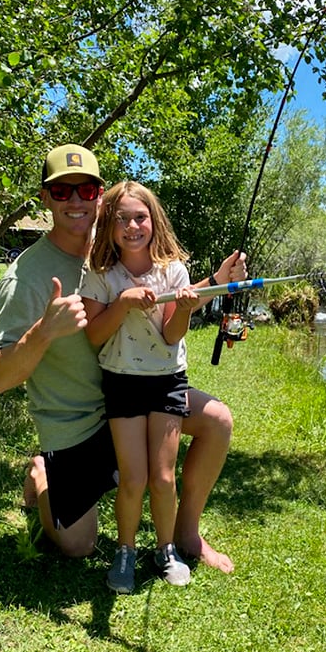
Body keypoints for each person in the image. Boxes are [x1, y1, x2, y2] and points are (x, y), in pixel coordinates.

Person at [0, 143, 245, 574]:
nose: (75, 201)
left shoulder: (115, 247)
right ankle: (42, 474)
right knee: (78, 545)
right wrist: (44, 330)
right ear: (45, 198)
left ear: (100, 196)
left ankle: (187, 535)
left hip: (136, 390)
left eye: (85, 190)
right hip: (77, 423)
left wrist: (216, 280)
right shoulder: (25, 277)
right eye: (61, 191)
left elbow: (165, 295)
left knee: (217, 420)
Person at [79, 181, 202, 593]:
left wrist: (183, 308)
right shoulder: (100, 274)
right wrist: (124, 303)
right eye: (122, 219)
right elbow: (94, 335)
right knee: (133, 479)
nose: (132, 226)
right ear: (109, 226)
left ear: (154, 221)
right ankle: (126, 550)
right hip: (122, 382)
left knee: (163, 478)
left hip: (167, 381)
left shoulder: (174, 271)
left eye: (140, 217)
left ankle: (166, 549)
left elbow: (172, 335)